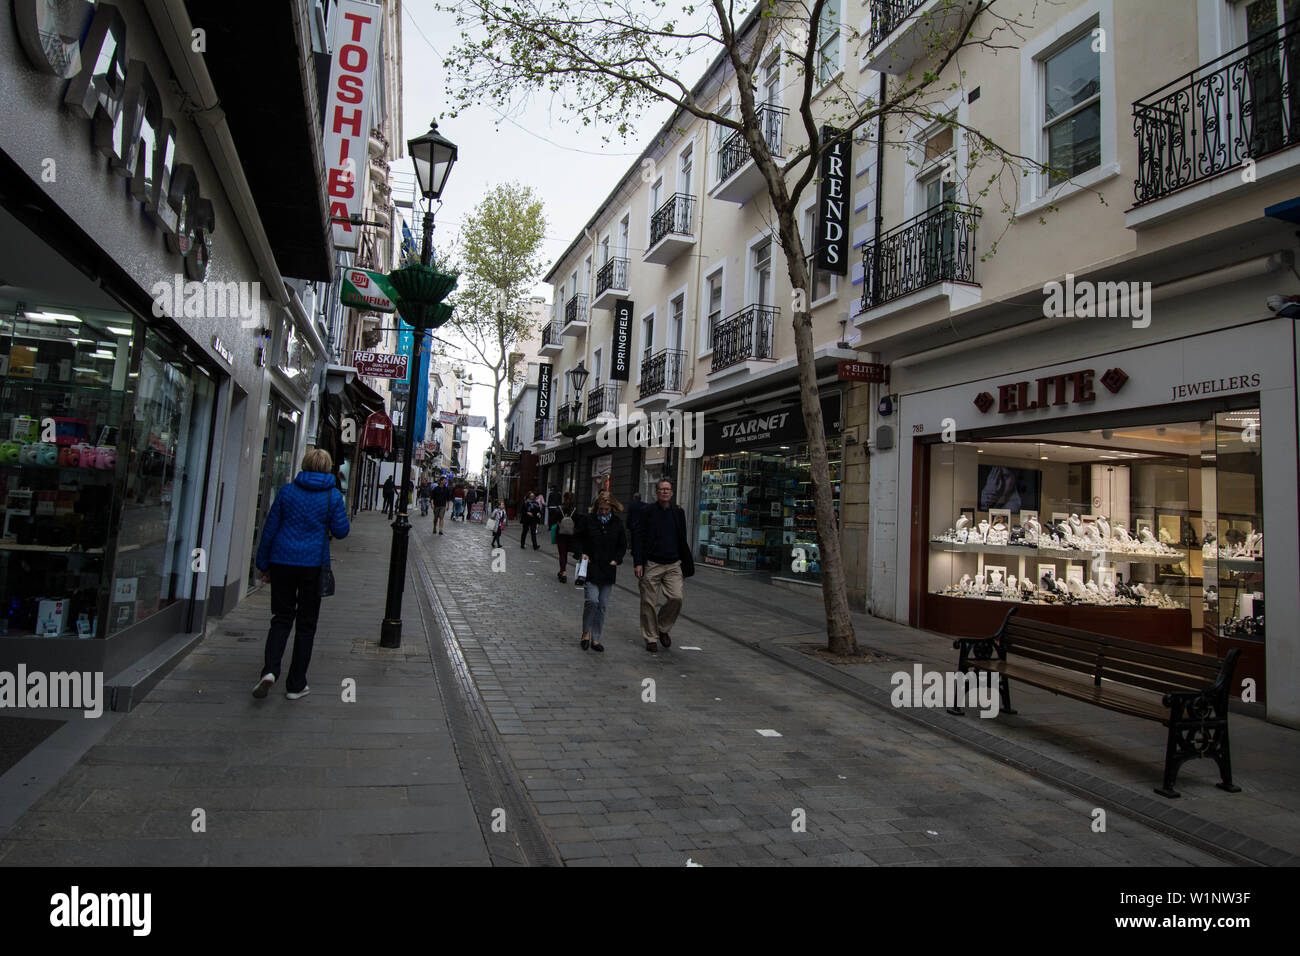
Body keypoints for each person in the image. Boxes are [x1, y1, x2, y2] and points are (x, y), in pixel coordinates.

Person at [253, 448, 350, 700]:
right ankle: (296, 684)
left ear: (305, 465)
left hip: (282, 562)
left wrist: (263, 563)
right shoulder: (332, 496)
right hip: (312, 566)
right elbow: (341, 531)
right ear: (328, 468)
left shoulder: (287, 492)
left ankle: (270, 671)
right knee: (306, 625)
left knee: (281, 618)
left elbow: (269, 529)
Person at [633, 477, 694, 653]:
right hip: (652, 563)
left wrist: (685, 562)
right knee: (648, 602)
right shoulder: (647, 511)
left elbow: (682, 538)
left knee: (676, 597)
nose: (665, 492)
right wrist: (638, 562)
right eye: (662, 489)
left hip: (674, 563)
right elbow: (638, 537)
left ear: (672, 493)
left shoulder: (678, 512)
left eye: (668, 489)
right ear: (657, 492)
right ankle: (651, 637)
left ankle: (662, 628)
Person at [575, 491, 626, 653]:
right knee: (592, 601)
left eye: (607, 509)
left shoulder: (617, 524)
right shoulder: (588, 520)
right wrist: (581, 553)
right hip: (591, 567)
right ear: (597, 507)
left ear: (612, 508)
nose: (604, 512)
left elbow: (622, 545)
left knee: (602, 604)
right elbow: (577, 538)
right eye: (601, 509)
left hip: (608, 569)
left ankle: (596, 638)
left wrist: (616, 560)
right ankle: (586, 633)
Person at [554, 491, 578, 583]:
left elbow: (553, 520)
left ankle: (563, 572)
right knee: (569, 552)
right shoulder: (575, 510)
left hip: (561, 534)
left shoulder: (559, 509)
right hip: (571, 534)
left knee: (562, 554)